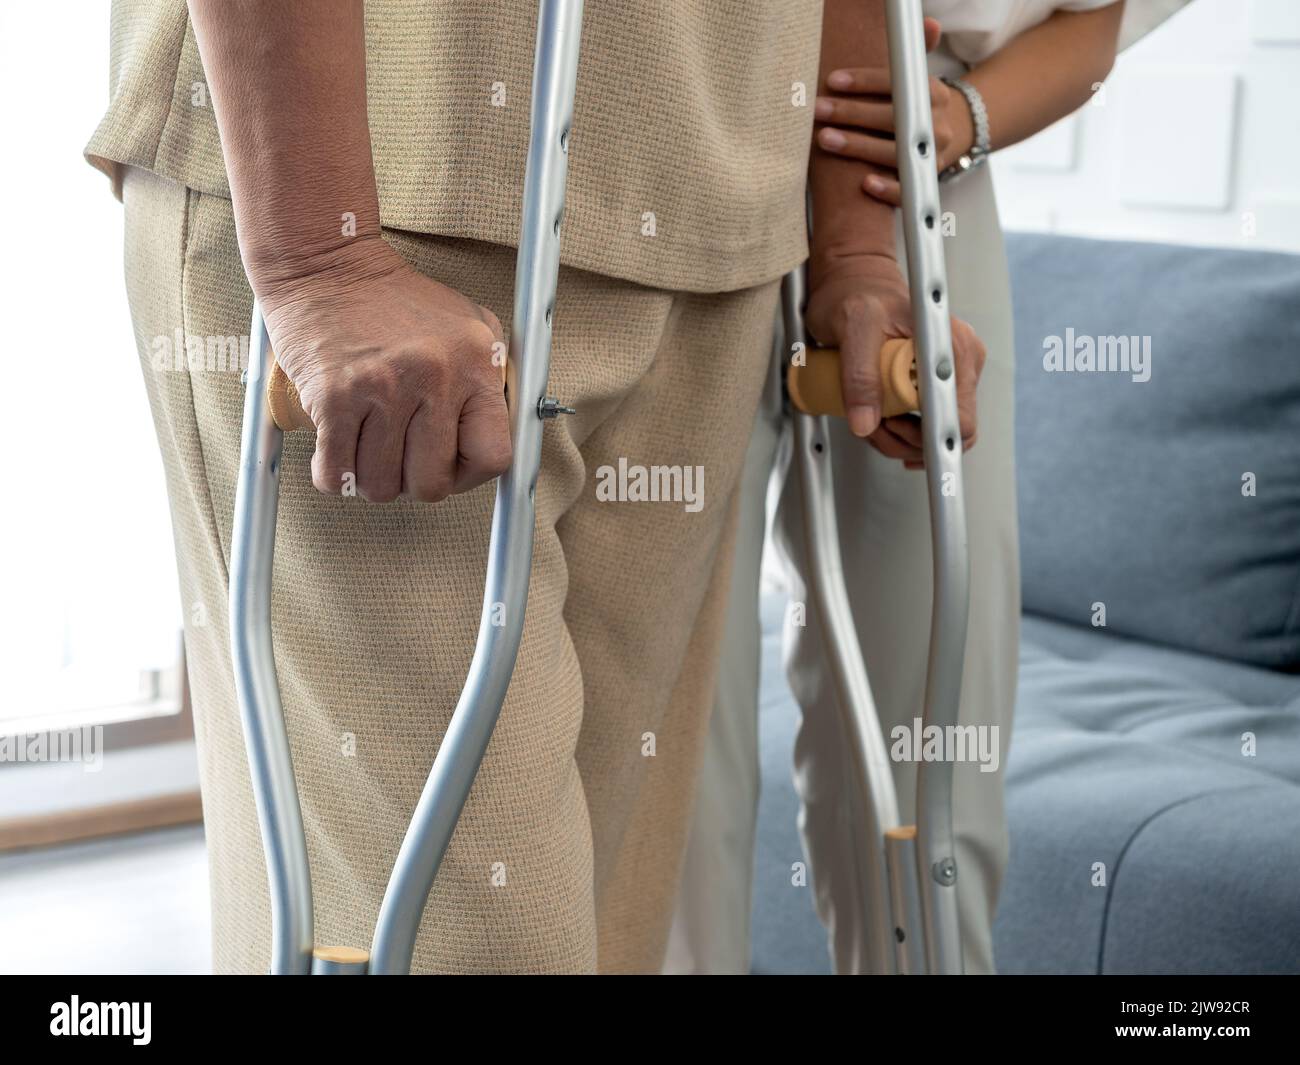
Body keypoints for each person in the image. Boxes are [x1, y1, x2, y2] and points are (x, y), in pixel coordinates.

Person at [86, 0, 985, 972]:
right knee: (459, 942)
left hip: (713, 238)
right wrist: (320, 259)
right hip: (385, 203)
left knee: (607, 930)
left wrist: (854, 247)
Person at [668, 0, 1192, 975]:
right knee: (675, 721)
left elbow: (1095, 24)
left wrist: (966, 114)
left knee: (930, 710)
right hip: (688, 133)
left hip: (910, 171)